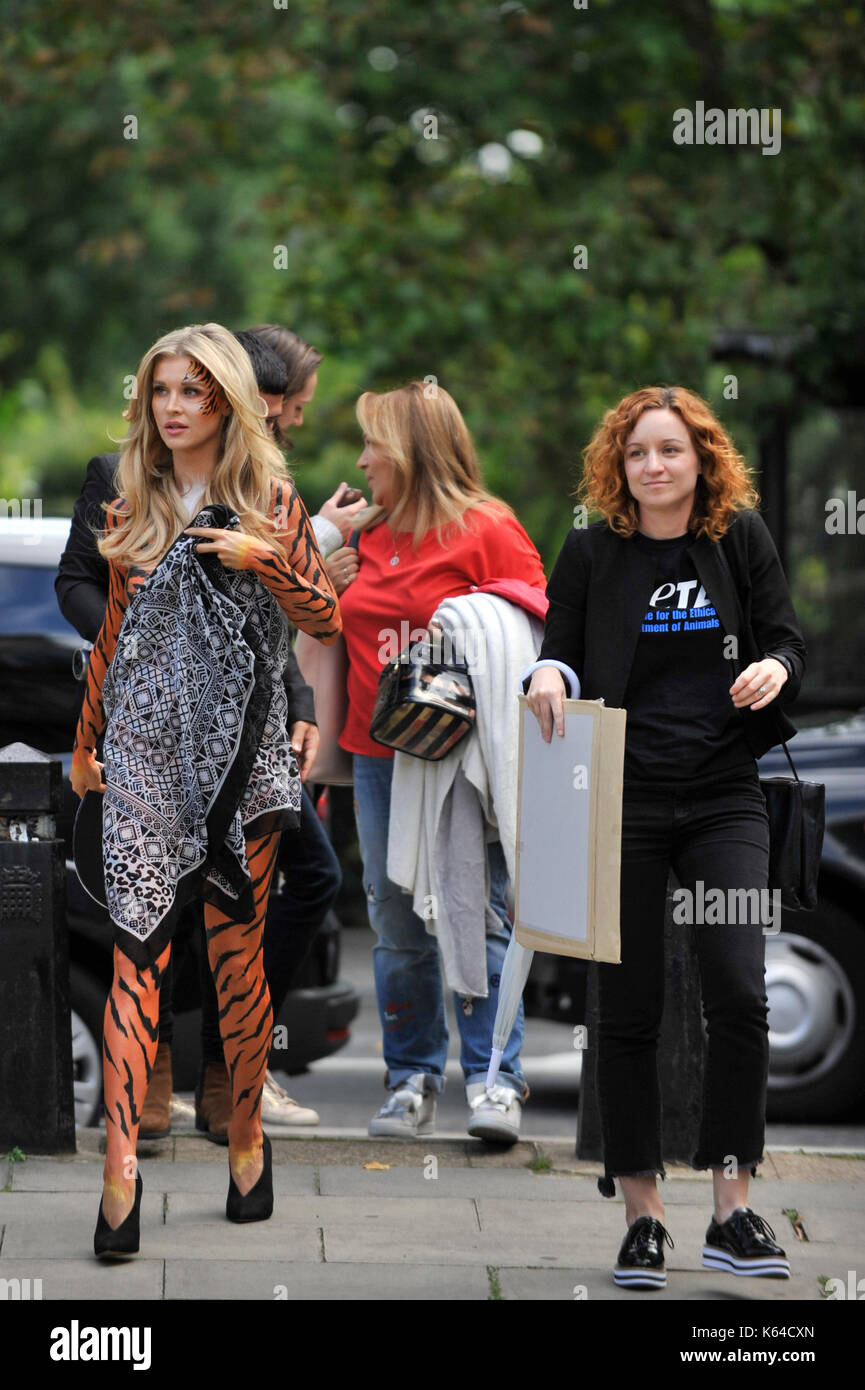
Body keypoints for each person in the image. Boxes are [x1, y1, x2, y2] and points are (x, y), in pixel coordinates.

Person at [70, 322, 340, 1255]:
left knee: (236, 962)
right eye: (161, 391)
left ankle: (248, 1140)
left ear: (225, 399)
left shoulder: (267, 493)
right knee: (131, 957)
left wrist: (262, 559)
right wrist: (82, 744)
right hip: (142, 753)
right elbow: (114, 634)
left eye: (193, 391)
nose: (174, 408)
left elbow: (324, 615)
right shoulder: (128, 493)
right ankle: (118, 1178)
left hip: (243, 761)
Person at [527, 385, 805, 1288]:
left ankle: (733, 1207)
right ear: (619, 465)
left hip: (723, 794)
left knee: (737, 989)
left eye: (670, 451)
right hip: (621, 799)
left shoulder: (739, 542)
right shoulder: (590, 550)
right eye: (637, 452)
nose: (652, 466)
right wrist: (545, 678)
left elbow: (789, 645)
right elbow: (557, 648)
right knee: (629, 1008)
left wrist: (771, 666)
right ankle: (642, 1215)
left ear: (700, 460)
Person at [329, 382, 547, 1143]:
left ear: (414, 454)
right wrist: (327, 570)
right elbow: (324, 622)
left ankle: (494, 1081)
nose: (360, 461)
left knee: (473, 910)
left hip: (459, 763)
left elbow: (531, 634)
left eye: (373, 447)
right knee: (394, 920)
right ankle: (411, 1078)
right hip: (377, 752)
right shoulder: (366, 532)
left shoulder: (488, 530)